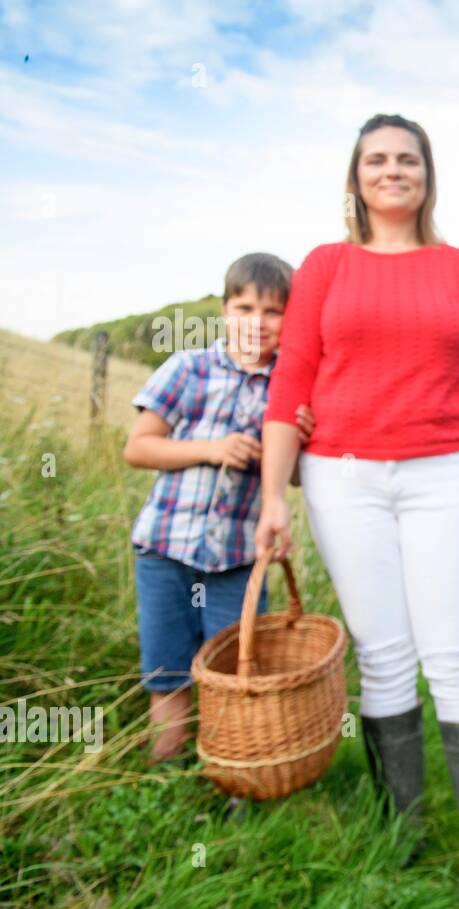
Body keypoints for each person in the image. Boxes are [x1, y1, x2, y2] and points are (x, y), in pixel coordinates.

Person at [255, 114, 459, 909]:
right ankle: (400, 837)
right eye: (377, 159)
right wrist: (273, 493)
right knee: (384, 657)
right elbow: (291, 379)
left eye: (407, 159)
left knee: (454, 656)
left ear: (426, 176)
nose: (392, 170)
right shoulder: (326, 267)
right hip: (341, 478)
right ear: (356, 177)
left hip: (445, 473)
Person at [124, 253, 313, 764]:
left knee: (239, 673)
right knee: (167, 672)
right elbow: (138, 447)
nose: (257, 322)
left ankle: (236, 782)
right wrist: (211, 448)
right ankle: (166, 778)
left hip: (237, 560)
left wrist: (301, 438)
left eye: (273, 312)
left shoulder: (290, 388)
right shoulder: (189, 368)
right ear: (225, 309)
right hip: (165, 549)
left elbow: (295, 478)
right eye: (244, 307)